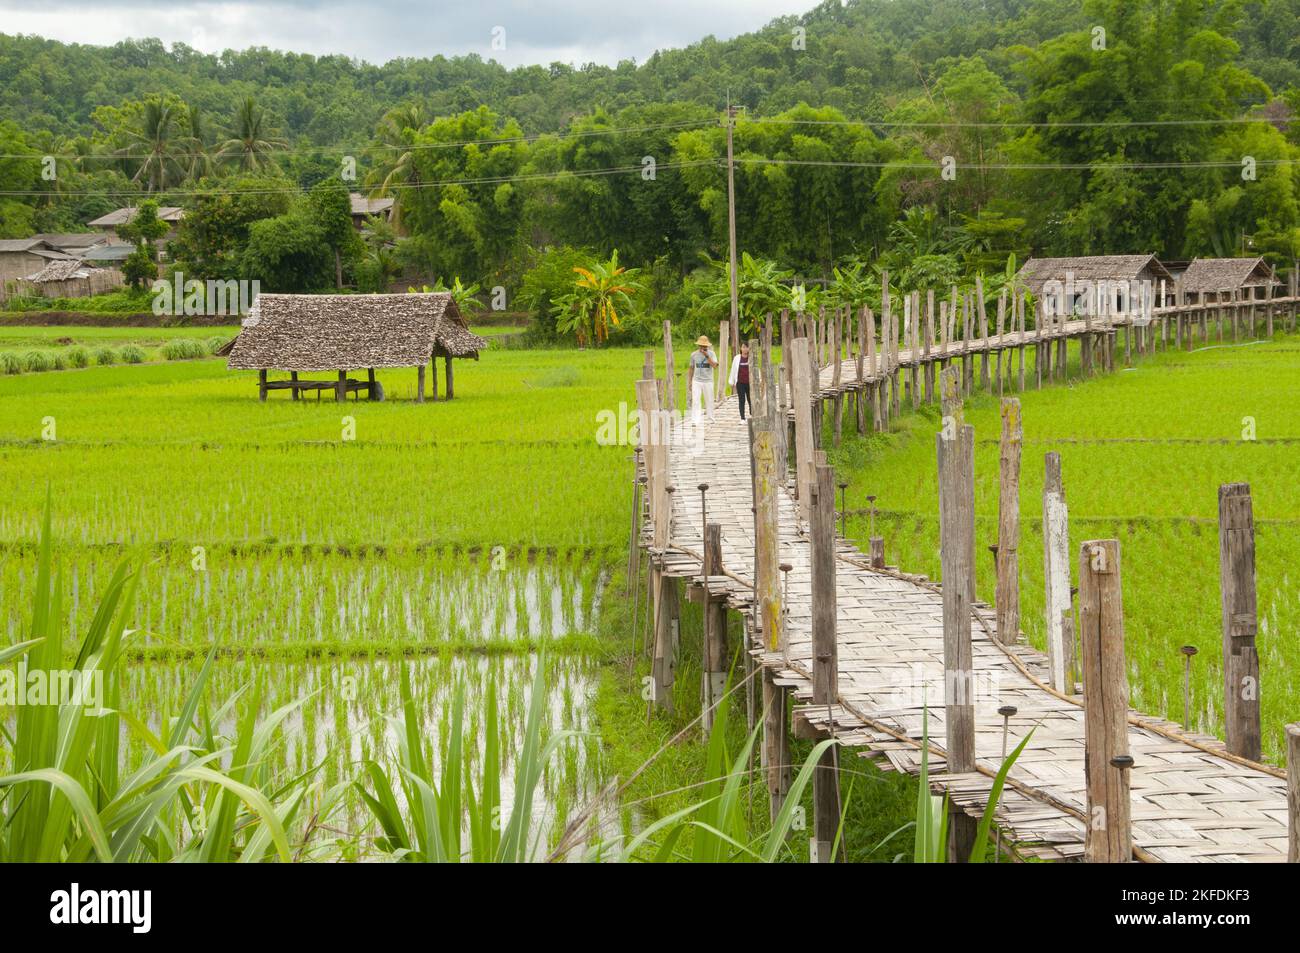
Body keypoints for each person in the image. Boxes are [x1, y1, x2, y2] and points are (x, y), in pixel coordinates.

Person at [688, 335, 718, 424]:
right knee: (696, 400)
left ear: (707, 346)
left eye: (705, 346)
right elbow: (691, 368)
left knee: (709, 400)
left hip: (708, 381)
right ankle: (695, 420)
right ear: (698, 346)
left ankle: (710, 418)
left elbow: (715, 366)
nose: (703, 348)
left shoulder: (712, 354)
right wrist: (689, 381)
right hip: (696, 380)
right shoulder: (693, 355)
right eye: (701, 346)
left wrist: (707, 356)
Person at [728, 343, 751, 420]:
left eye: (746, 347)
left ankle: (752, 414)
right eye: (743, 347)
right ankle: (742, 418)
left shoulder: (751, 357)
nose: (745, 349)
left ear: (749, 348)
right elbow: (733, 370)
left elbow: (756, 369)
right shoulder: (737, 358)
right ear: (741, 348)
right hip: (740, 383)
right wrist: (731, 381)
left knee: (750, 399)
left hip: (750, 383)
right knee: (742, 400)